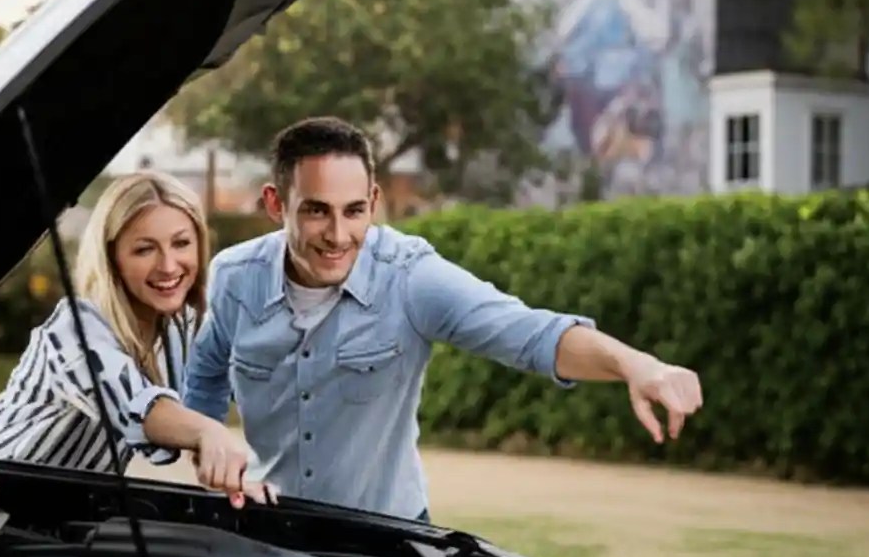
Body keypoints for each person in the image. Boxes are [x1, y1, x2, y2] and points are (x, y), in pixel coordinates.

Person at [182, 116, 703, 522]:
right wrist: (209, 447)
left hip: (387, 538)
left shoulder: (411, 278)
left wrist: (638, 364)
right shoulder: (234, 277)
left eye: (354, 211)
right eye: (317, 211)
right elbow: (205, 377)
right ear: (276, 203)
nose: (338, 235)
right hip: (270, 530)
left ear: (374, 202)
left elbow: (531, 334)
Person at [0, 171, 274, 507]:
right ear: (113, 259)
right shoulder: (75, 329)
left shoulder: (182, 327)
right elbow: (140, 408)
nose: (168, 265)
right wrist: (210, 432)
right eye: (144, 249)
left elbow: (191, 425)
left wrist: (235, 480)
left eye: (181, 243)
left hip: (52, 517)